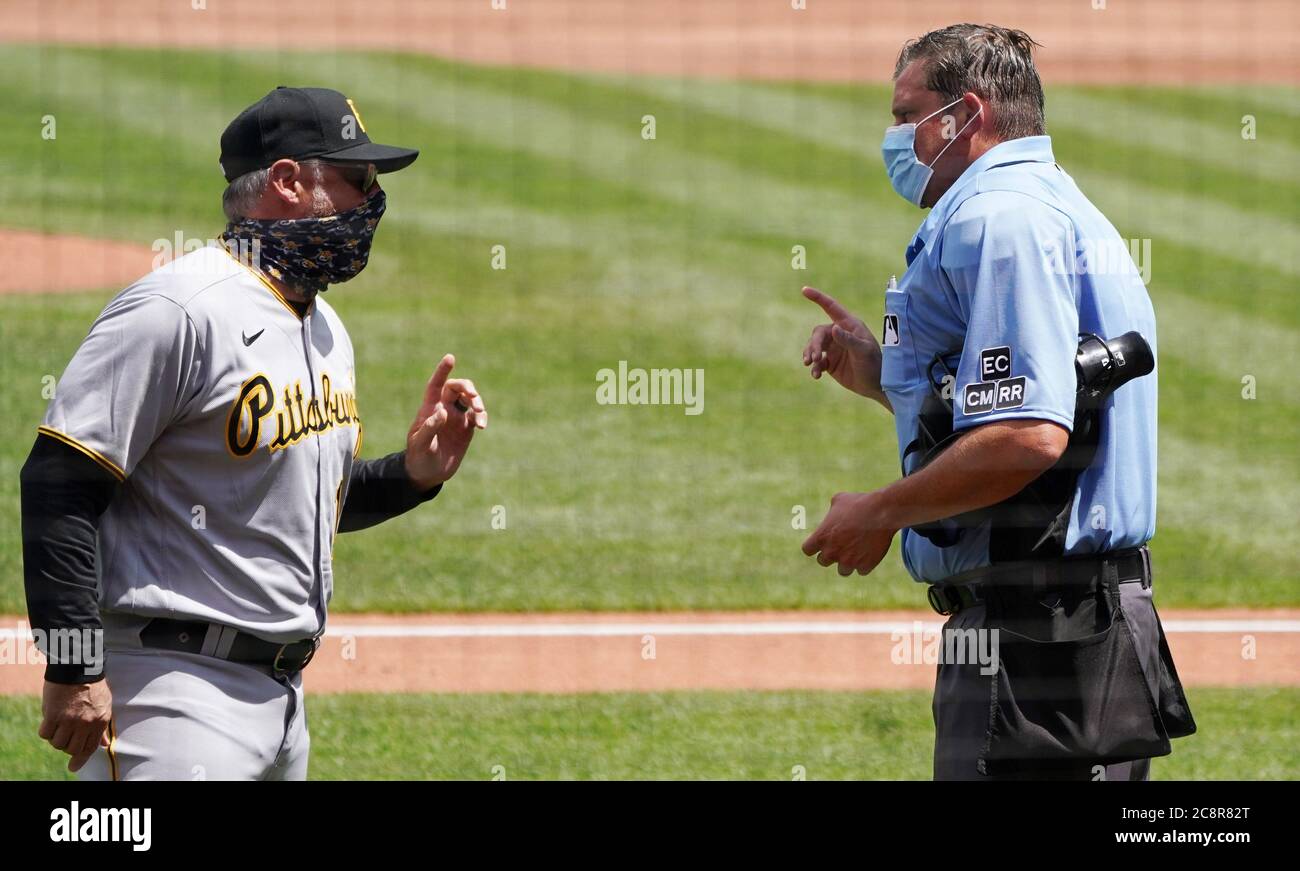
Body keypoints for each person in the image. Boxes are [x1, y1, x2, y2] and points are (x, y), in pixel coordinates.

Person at [20, 86, 488, 780]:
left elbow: (289, 498)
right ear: (289, 182)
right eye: (356, 178)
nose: (372, 201)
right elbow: (59, 482)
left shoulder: (325, 328)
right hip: (174, 694)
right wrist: (74, 663)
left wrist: (410, 475)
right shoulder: (177, 310)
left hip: (284, 699)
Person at [799, 25, 1194, 780]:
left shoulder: (999, 222)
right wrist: (885, 375)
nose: (893, 136)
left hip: (1035, 644)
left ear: (965, 115)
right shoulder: (1045, 201)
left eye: (904, 114)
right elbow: (1022, 404)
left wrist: (880, 510)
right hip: (1069, 629)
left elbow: (1026, 435)